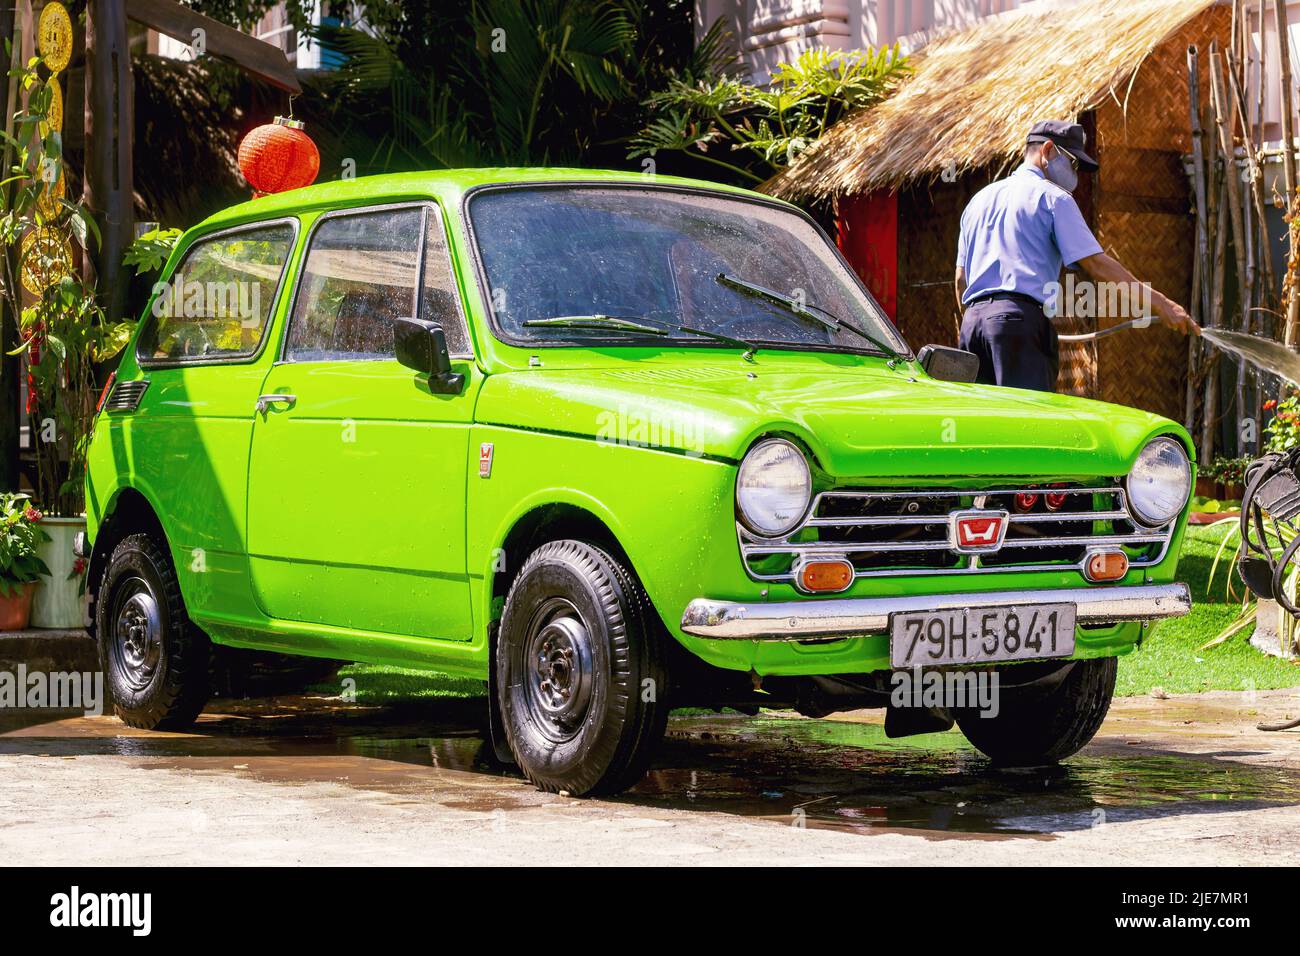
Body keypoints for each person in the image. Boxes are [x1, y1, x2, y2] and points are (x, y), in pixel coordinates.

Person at [954, 119, 1199, 391]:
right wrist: (1162, 304)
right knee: (1027, 425)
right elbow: (1096, 264)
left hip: (972, 326)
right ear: (1047, 150)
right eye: (1072, 163)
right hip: (1017, 325)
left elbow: (961, 279)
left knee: (983, 425)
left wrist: (982, 319)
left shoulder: (978, 200)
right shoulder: (1053, 198)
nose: (1074, 174)